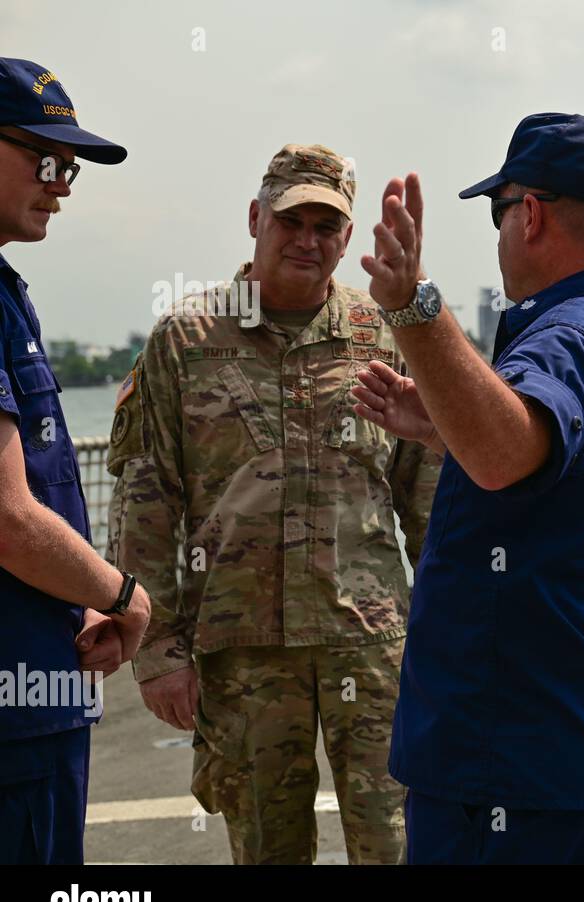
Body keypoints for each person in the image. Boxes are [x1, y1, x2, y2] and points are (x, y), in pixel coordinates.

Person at [351, 112, 584, 864]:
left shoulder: (577, 333)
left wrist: (414, 305)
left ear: (531, 213)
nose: (501, 233)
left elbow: (507, 453)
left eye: (498, 212)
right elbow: (575, 469)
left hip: (526, 771)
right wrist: (448, 423)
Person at [106, 144, 441, 864]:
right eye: (292, 220)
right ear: (256, 218)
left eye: (327, 226)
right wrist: (159, 649)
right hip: (242, 649)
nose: (307, 239)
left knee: (396, 844)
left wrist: (453, 636)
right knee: (265, 847)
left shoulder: (383, 335)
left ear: (347, 239)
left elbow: (431, 504)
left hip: (374, 645)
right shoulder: (187, 339)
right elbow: (146, 501)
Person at [0, 57, 151, 864]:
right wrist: (123, 594)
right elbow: (9, 519)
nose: (63, 184)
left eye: (73, 170)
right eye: (47, 160)